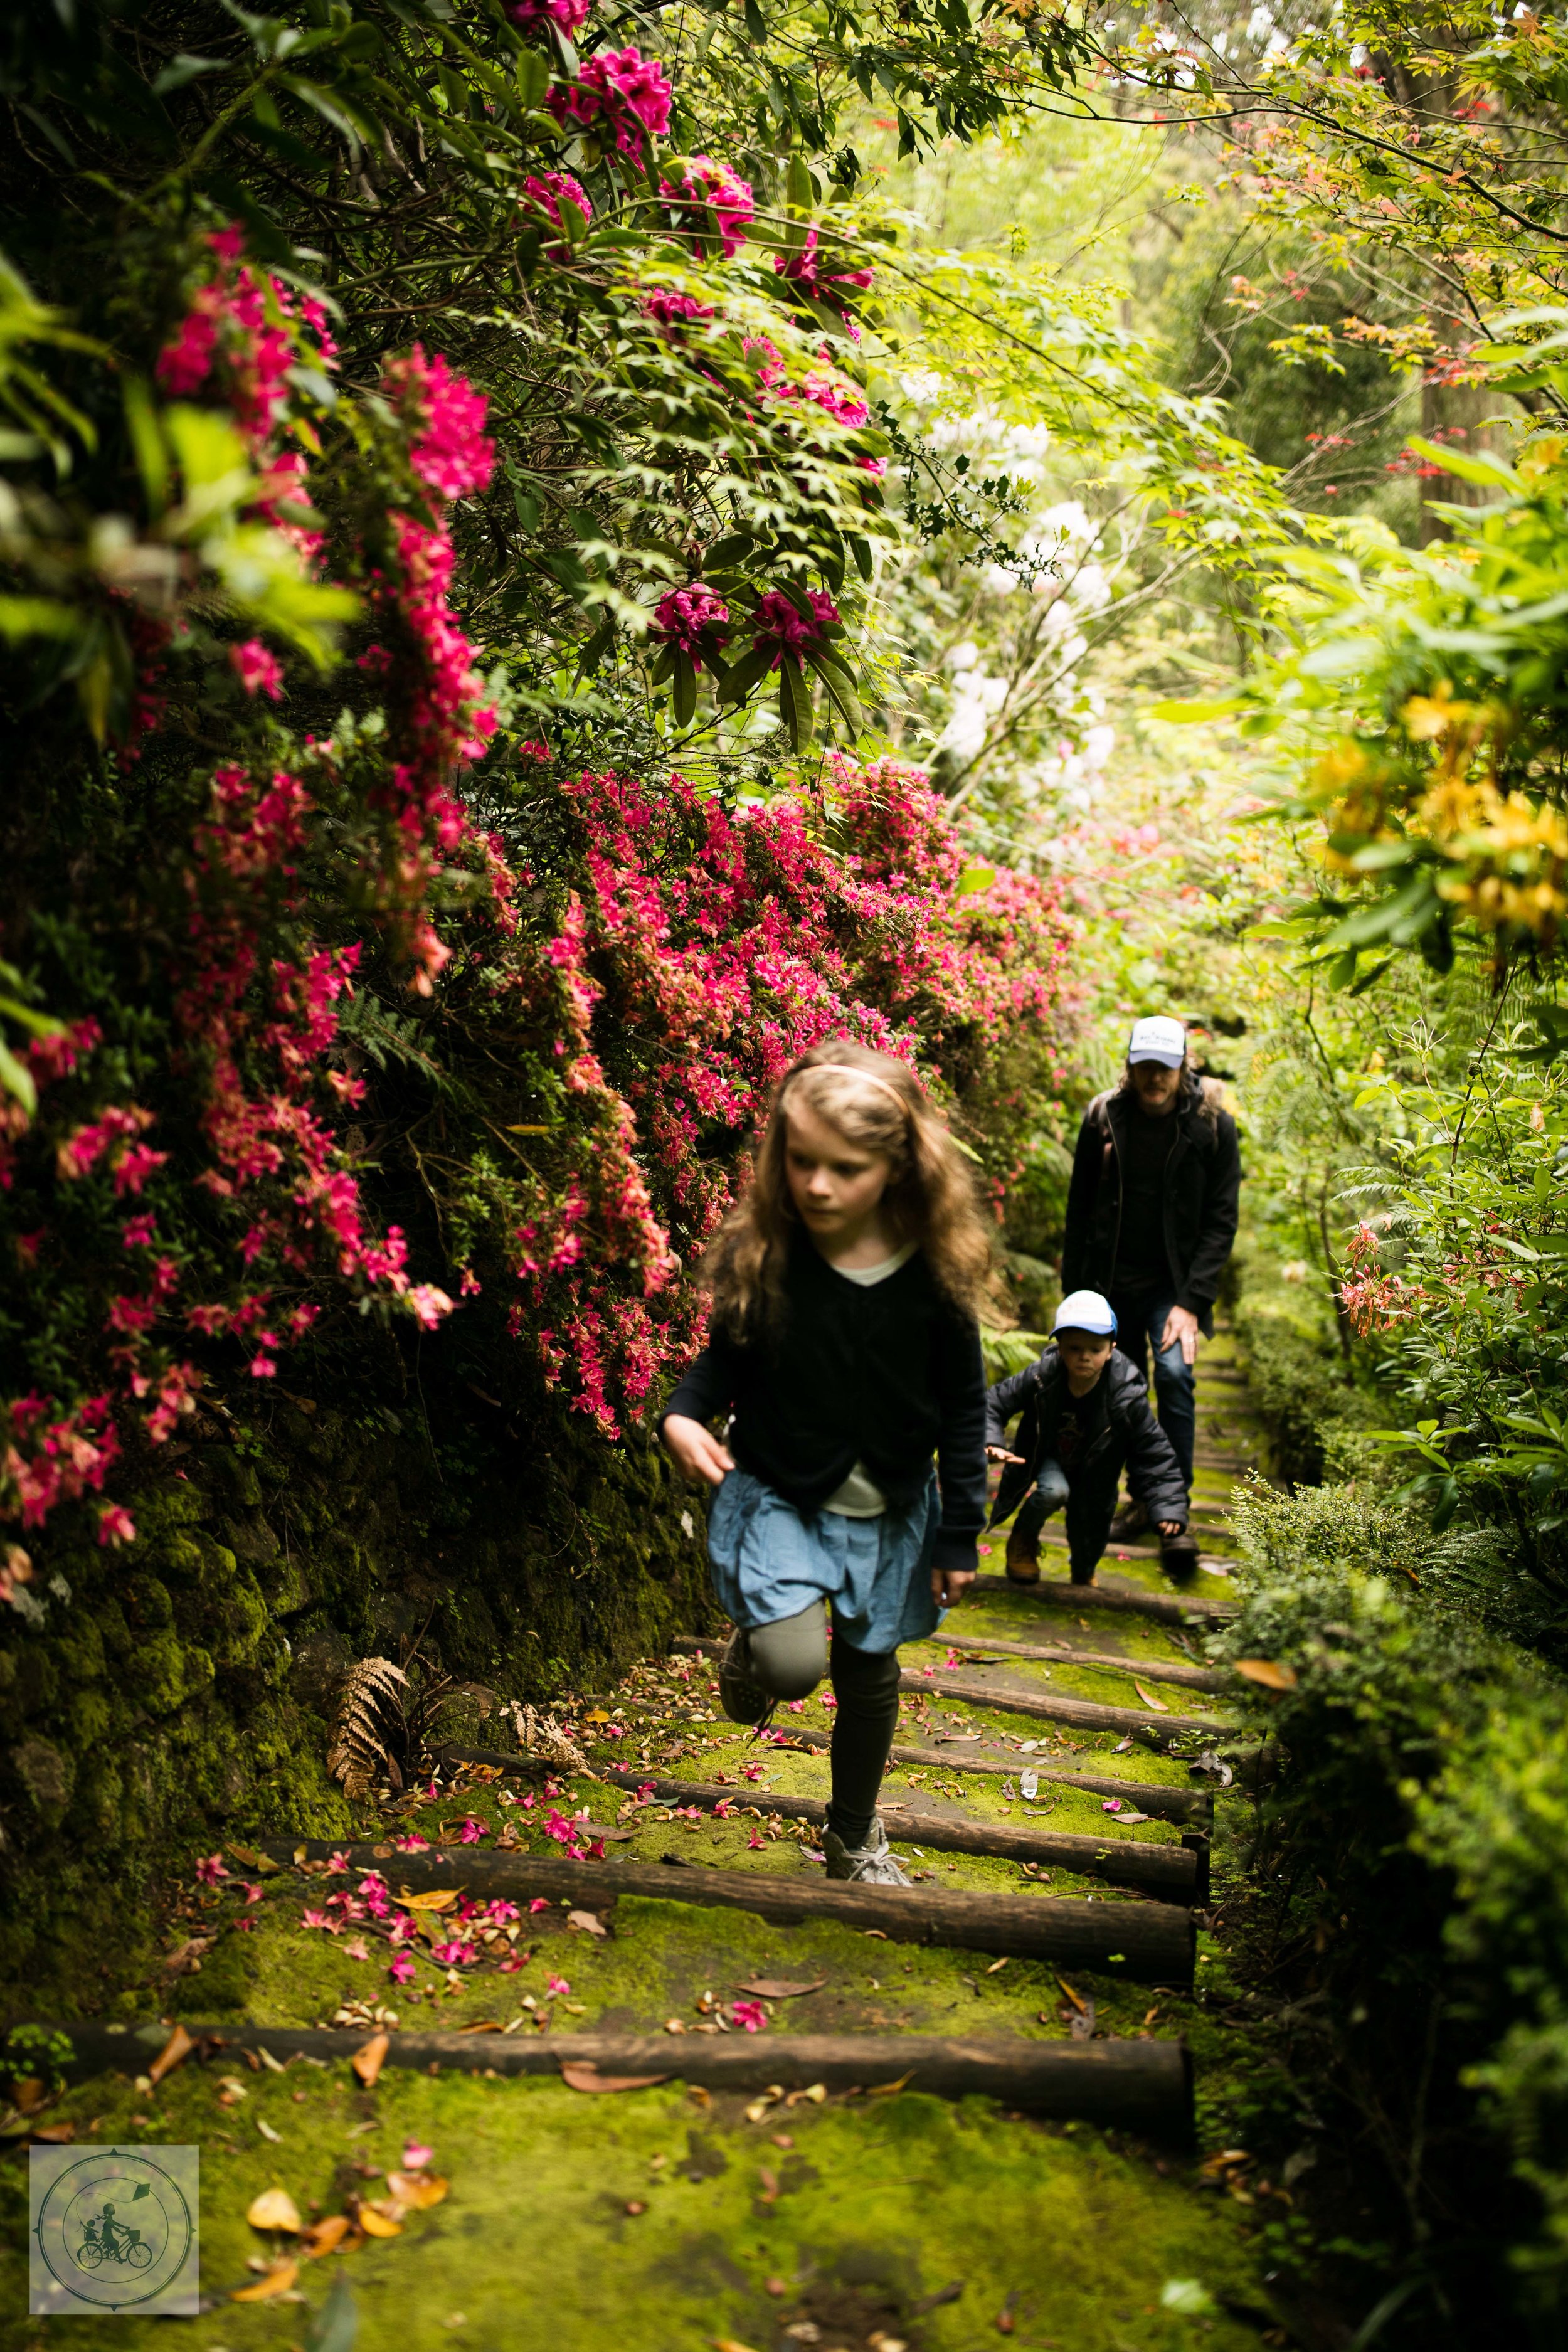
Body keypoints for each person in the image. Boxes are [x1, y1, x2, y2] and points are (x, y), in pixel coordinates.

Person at [660, 1039, 994, 1886]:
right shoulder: (770, 1250)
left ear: (897, 1167)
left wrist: (960, 1534)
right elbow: (722, 1359)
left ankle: (852, 1833)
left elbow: (963, 1408)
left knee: (869, 1669)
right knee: (795, 1666)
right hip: (782, 1492)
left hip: (887, 1507)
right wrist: (685, 1412)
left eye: (844, 1168)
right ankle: (761, 1644)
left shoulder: (935, 1280)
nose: (816, 1185)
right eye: (800, 1161)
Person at [1061, 1015, 1241, 1532]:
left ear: (1184, 1065)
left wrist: (1192, 1302)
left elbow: (1221, 1219)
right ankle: (1118, 1499)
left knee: (1177, 1378)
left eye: (1165, 1067)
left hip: (1175, 1287)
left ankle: (1170, 1507)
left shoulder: (1212, 1124)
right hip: (1108, 1282)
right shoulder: (1103, 1117)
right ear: (1131, 1066)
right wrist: (1074, 1297)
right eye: (1145, 1066)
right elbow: (1079, 1211)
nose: (1155, 1078)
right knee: (1116, 1387)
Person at [985, 1290, 1193, 1584]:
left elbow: (1154, 1453)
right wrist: (992, 1440)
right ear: (1059, 1348)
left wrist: (1169, 1507)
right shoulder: (1041, 1376)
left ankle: (1084, 1571)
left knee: (1091, 1541)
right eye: (1074, 1348)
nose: (1084, 1357)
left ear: (1111, 1349)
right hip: (1050, 1458)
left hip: (1098, 1473)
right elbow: (994, 1402)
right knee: (1054, 1491)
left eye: (1095, 1349)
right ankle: (1024, 1537)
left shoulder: (1127, 1396)